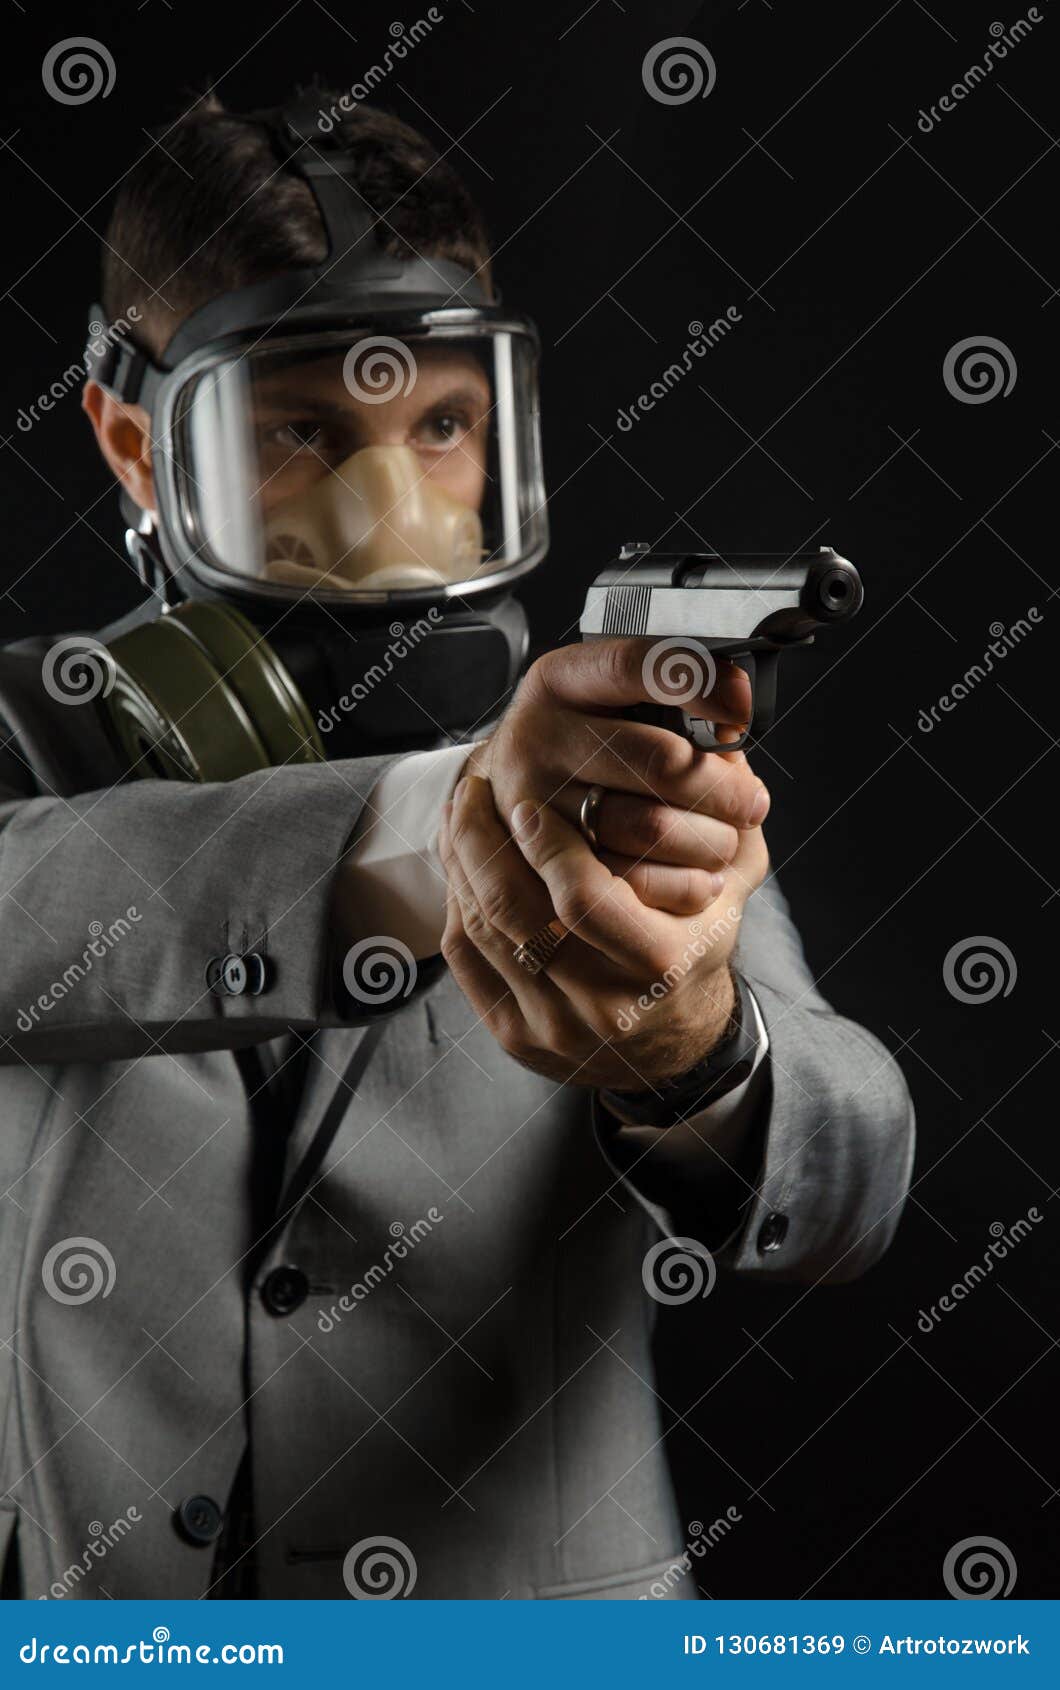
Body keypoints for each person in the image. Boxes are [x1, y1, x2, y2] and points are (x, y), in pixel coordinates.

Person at [0, 89, 914, 1601]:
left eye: (440, 424)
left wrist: (699, 1056)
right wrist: (445, 820)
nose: (389, 510)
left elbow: (854, 1174)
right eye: (302, 428)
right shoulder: (35, 735)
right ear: (134, 445)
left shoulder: (605, 766)